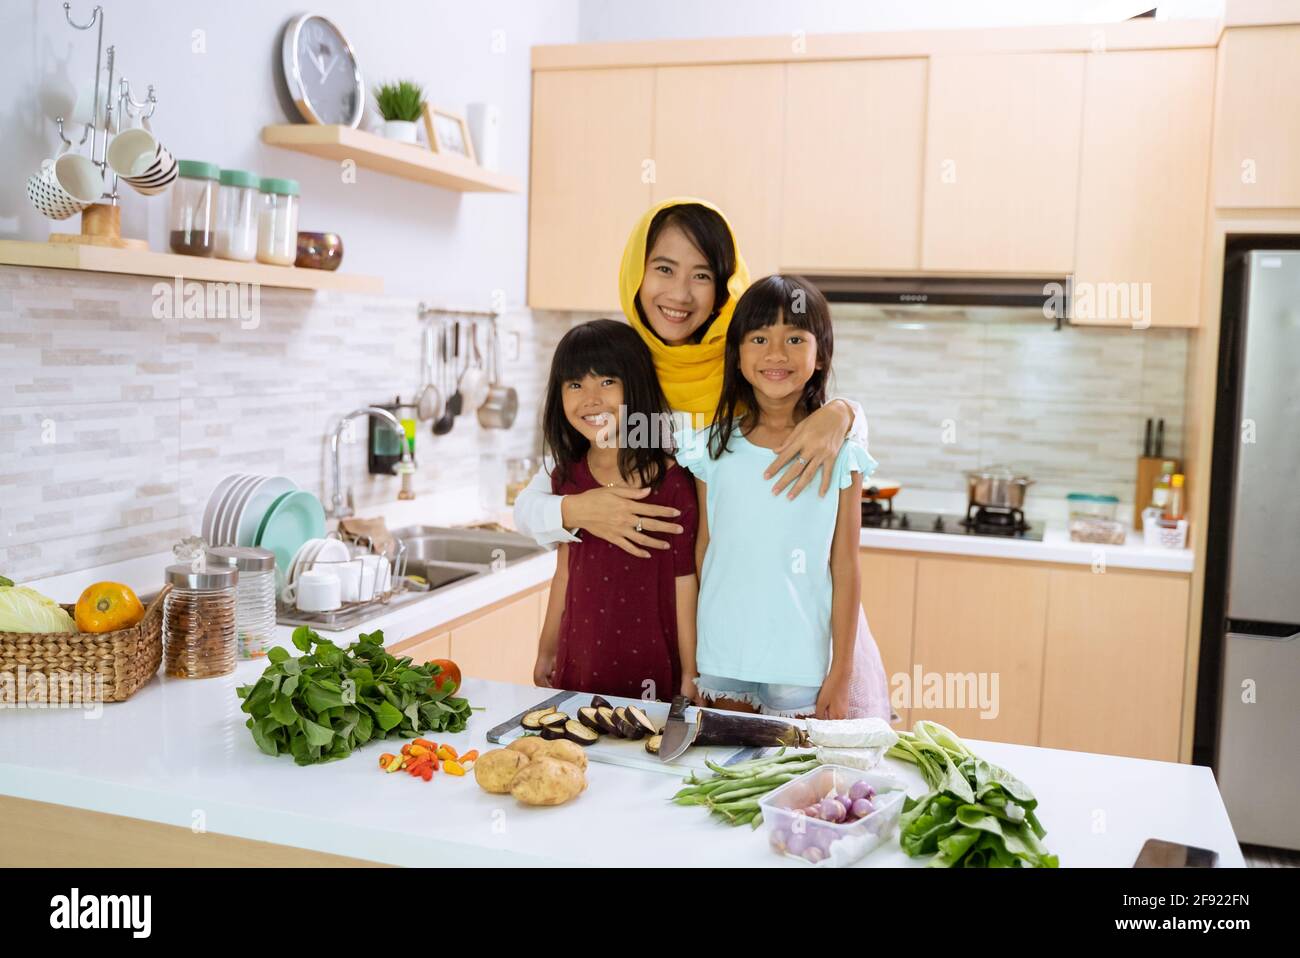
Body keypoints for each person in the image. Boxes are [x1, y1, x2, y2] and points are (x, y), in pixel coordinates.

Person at [513, 197, 869, 557]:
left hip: (752, 590)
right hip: (657, 593)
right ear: (637, 272)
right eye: (664, 269)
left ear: (723, 287)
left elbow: (823, 437)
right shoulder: (621, 369)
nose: (680, 294)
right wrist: (574, 509)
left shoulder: (749, 364)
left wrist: (844, 413)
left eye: (701, 275)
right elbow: (530, 506)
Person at [675, 275, 879, 720]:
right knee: (725, 777)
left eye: (794, 338)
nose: (776, 354)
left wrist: (842, 671)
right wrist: (691, 664)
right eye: (759, 337)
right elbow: (703, 551)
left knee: (789, 779)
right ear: (738, 354)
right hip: (723, 653)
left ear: (820, 355)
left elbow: (844, 564)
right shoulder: (711, 449)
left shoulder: (842, 452)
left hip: (800, 661)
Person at [532, 320, 698, 701]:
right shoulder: (566, 478)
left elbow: (684, 582)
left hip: (653, 662)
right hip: (582, 656)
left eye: (607, 381)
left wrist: (691, 671)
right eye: (575, 384)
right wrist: (547, 648)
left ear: (635, 386)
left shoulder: (672, 482)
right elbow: (564, 573)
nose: (590, 398)